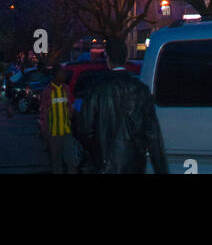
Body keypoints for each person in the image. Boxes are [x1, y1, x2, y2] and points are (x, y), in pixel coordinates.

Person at [72, 36, 168, 174]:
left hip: (103, 164)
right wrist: (161, 169)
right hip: (133, 164)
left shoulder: (95, 89)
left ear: (107, 58)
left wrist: (98, 150)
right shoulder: (140, 90)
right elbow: (153, 135)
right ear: (126, 57)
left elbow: (84, 129)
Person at [38, 64, 75, 174]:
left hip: (67, 131)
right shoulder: (47, 91)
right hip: (53, 133)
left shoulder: (66, 89)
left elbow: (69, 106)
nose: (64, 75)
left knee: (71, 162)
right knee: (56, 163)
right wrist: (44, 131)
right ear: (55, 75)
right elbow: (44, 112)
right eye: (62, 73)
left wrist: (71, 116)